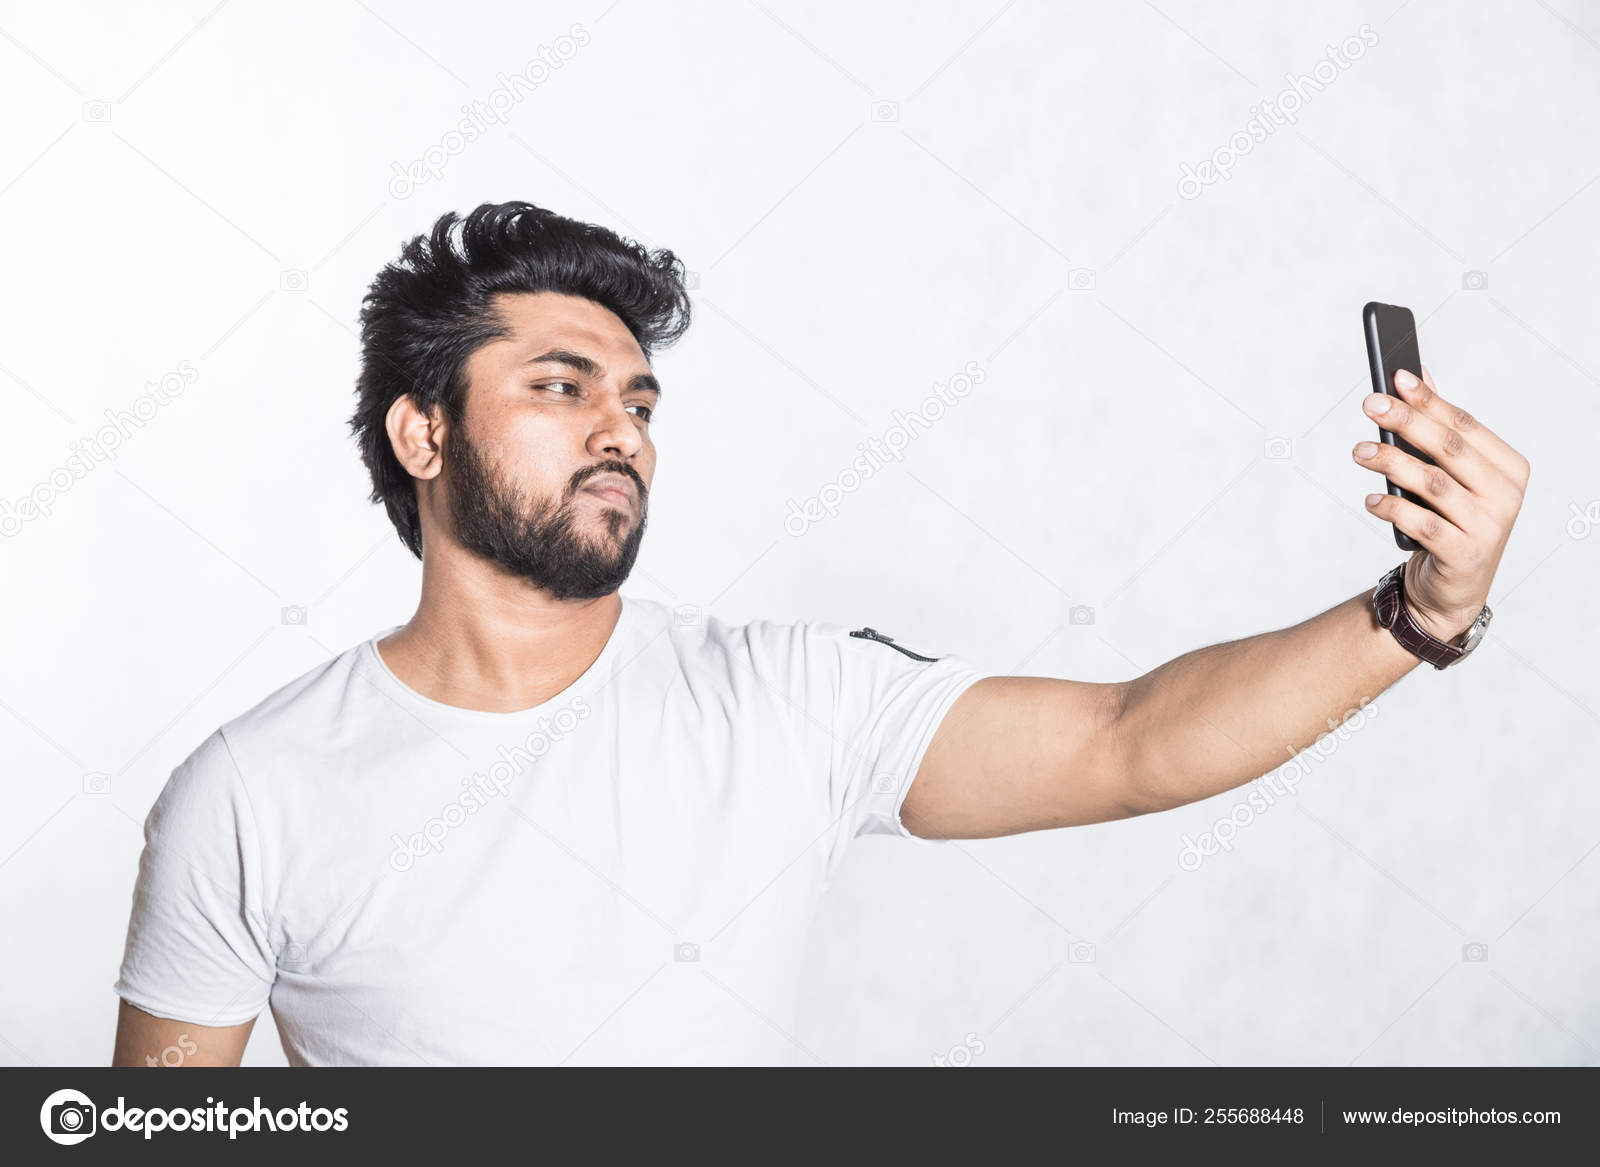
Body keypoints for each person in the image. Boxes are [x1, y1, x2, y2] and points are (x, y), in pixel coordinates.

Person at [112, 201, 1529, 1066]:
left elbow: (1130, 741)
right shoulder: (253, 795)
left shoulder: (779, 700)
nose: (621, 427)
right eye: (560, 386)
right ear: (423, 433)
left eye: (641, 401)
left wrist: (1421, 616)